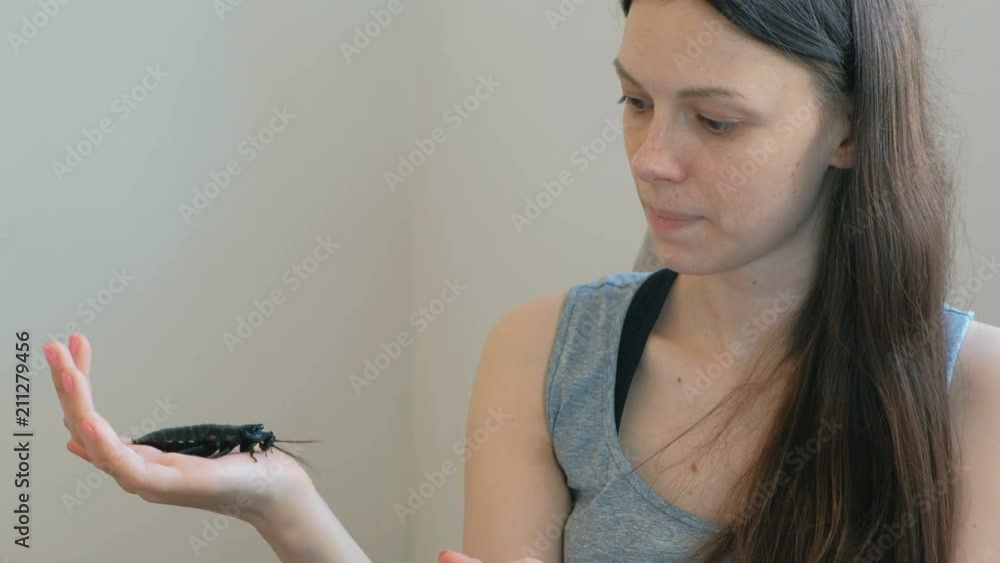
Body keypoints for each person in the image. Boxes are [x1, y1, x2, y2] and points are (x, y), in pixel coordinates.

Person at [47, 0, 1000, 561]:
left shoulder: (975, 396)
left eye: (714, 121)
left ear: (852, 127)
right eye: (633, 101)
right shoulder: (546, 355)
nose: (651, 159)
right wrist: (281, 505)